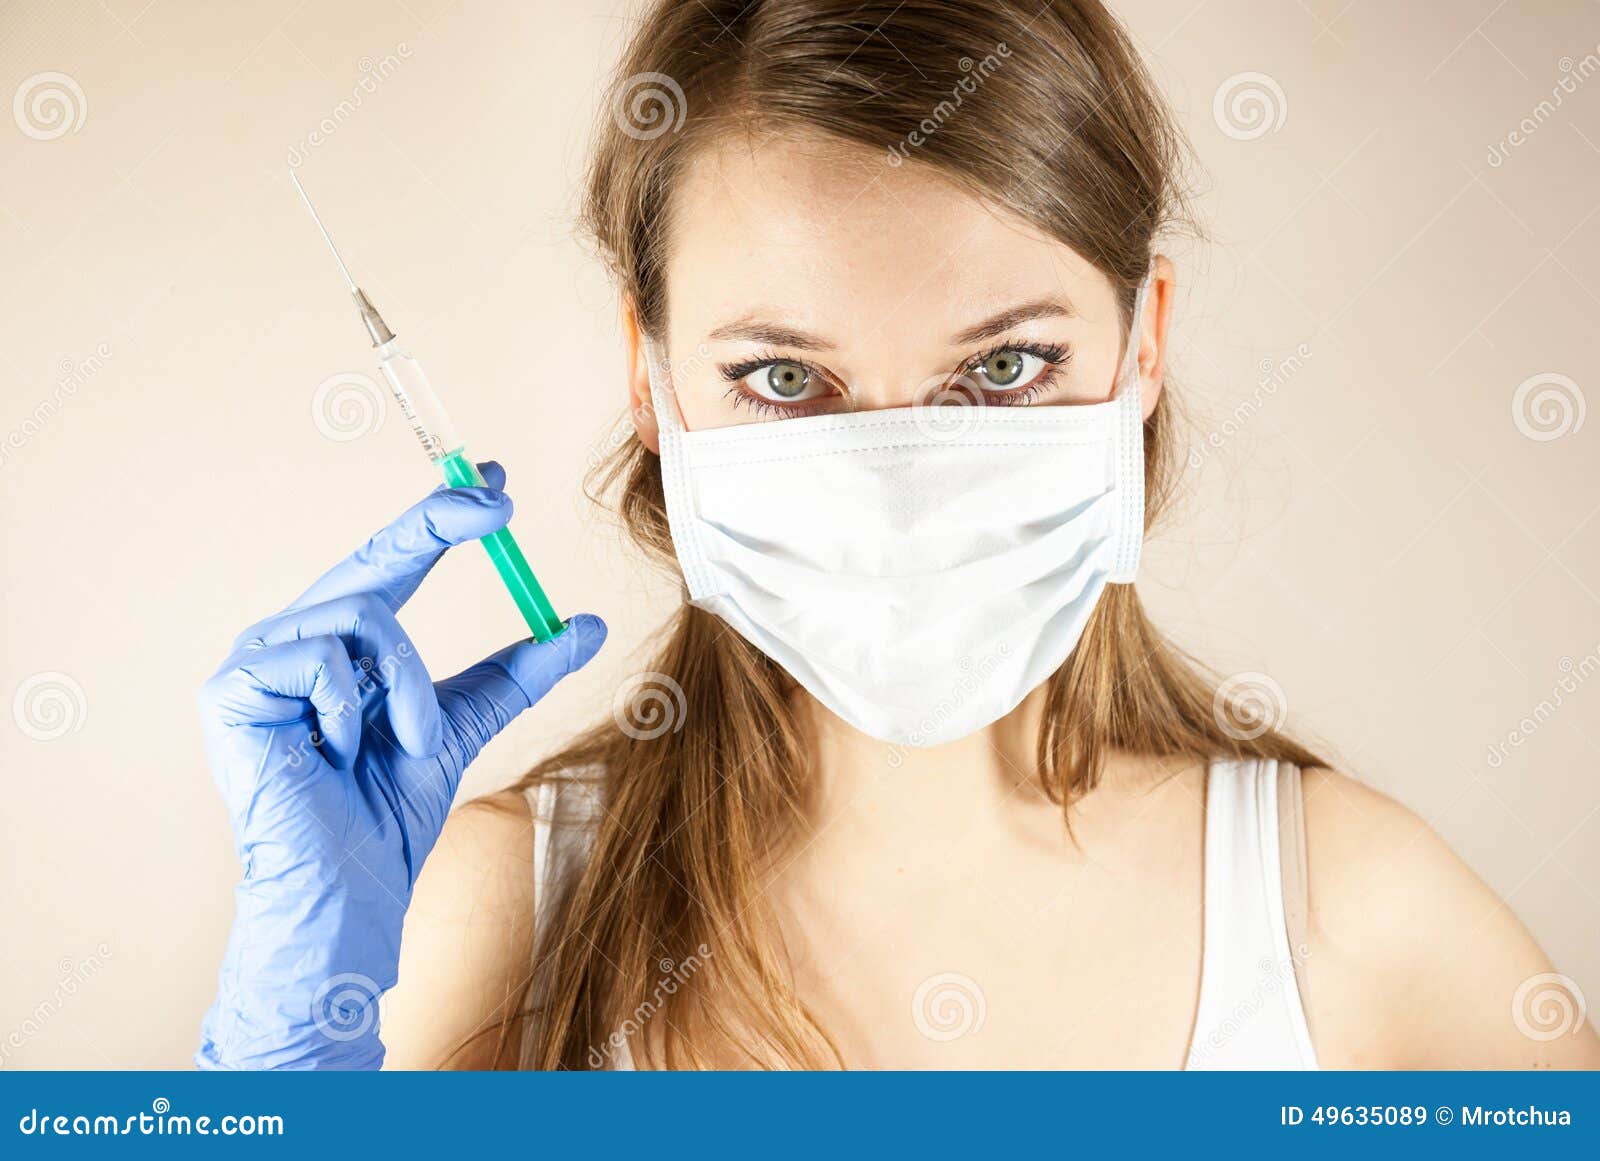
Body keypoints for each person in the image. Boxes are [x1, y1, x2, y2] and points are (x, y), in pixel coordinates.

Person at [195, 0, 1600, 1070]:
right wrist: (278, 1073)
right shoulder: (494, 922)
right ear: (648, 374)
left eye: (1002, 369)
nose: (895, 483)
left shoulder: (1353, 914)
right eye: (786, 378)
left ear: (1146, 343)